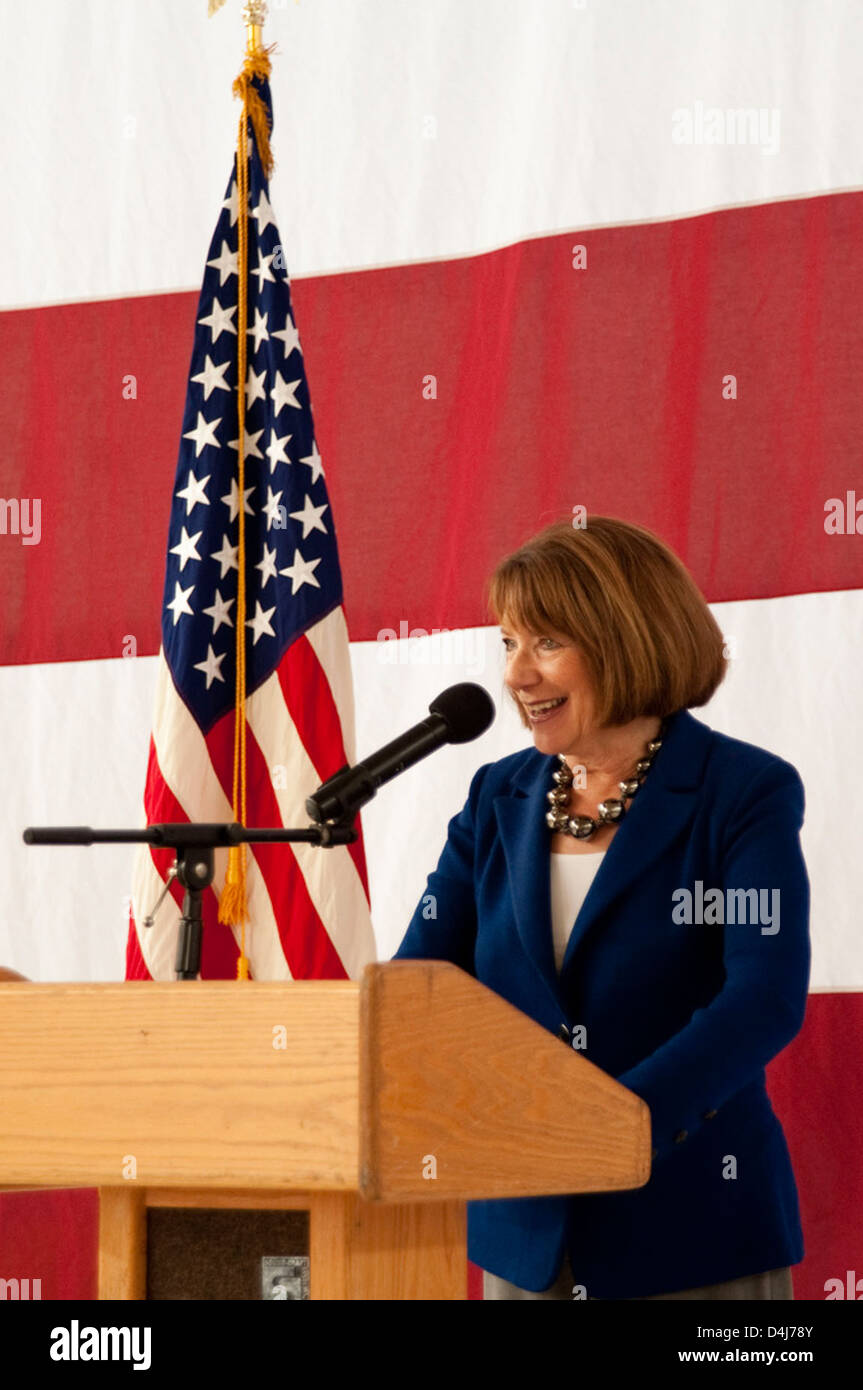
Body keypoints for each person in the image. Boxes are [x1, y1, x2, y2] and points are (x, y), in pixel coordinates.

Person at [392, 515, 810, 1300]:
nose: (515, 677)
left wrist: (611, 1128)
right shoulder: (496, 797)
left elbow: (762, 999)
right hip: (524, 1235)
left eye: (545, 643)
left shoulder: (742, 792)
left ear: (626, 639)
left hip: (695, 1228)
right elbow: (421, 988)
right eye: (508, 645)